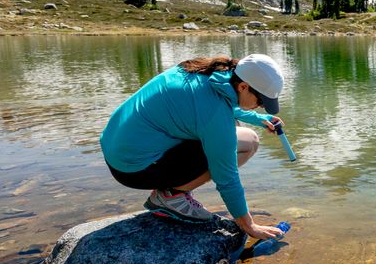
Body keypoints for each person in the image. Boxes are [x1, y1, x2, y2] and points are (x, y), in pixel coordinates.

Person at [100, 53, 287, 240]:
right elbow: (226, 178)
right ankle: (171, 197)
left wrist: (259, 119)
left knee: (232, 128)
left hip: (117, 150)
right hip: (133, 169)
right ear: (244, 86)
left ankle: (172, 190)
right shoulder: (214, 112)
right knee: (248, 142)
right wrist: (249, 225)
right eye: (261, 101)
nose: (261, 106)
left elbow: (218, 103)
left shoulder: (205, 71)